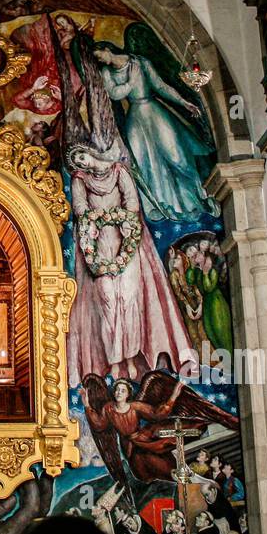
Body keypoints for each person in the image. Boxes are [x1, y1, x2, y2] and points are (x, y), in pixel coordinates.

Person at [67, 144, 193, 385]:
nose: (82, 163)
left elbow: (132, 201)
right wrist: (94, 220)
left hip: (126, 240)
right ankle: (114, 362)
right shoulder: (80, 180)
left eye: (82, 156)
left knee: (129, 299)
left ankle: (133, 358)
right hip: (98, 244)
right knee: (108, 304)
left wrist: (125, 219)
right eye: (77, 162)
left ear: (91, 152)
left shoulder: (118, 171)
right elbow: (80, 207)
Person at [93, 40, 216, 221]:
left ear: (107, 49)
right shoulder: (106, 72)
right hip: (135, 118)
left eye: (99, 56)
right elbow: (115, 94)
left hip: (154, 111)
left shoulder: (140, 62)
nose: (101, 60)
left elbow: (160, 86)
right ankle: (162, 207)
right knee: (145, 163)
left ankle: (200, 196)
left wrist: (183, 102)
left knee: (176, 156)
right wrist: (132, 81)